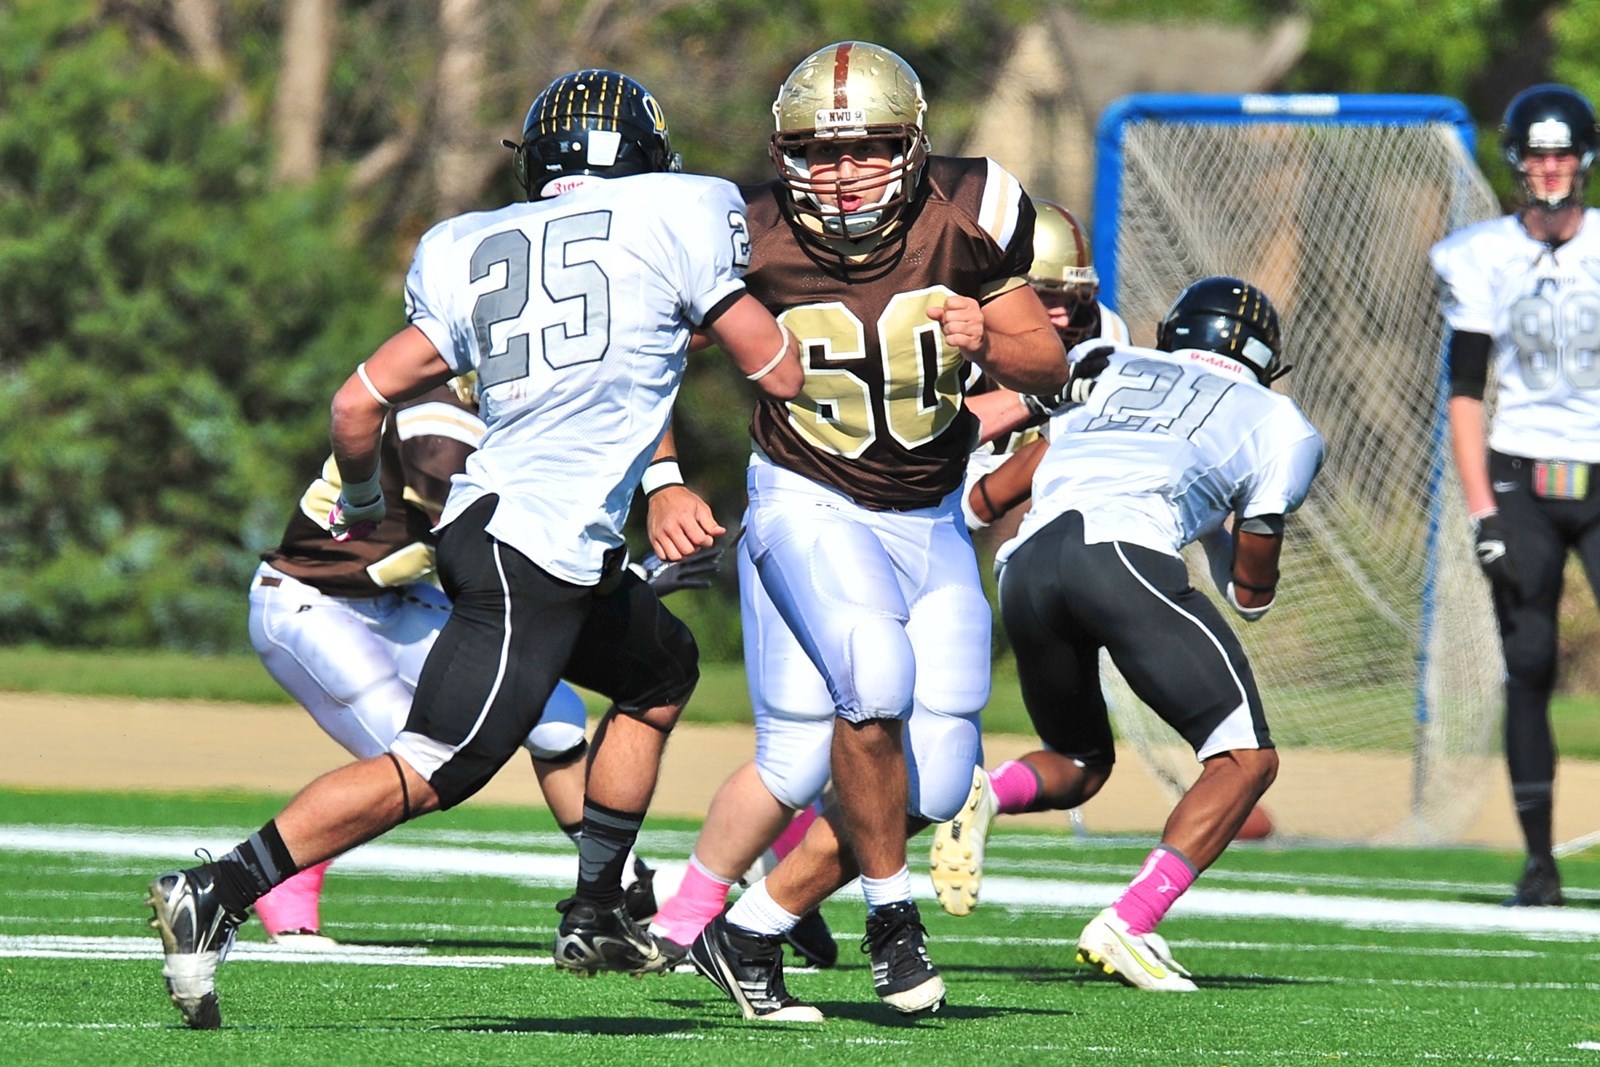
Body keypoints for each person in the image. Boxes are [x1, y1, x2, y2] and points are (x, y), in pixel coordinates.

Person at [142, 68, 802, 1029]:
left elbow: (355, 401)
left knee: (660, 669)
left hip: (523, 536)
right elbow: (774, 367)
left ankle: (599, 905)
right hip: (525, 547)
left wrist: (363, 496)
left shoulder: (469, 243)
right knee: (438, 765)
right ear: (649, 156)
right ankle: (220, 890)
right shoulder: (685, 214)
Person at [645, 41, 1067, 1022]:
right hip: (809, 497)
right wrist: (661, 479)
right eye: (818, 154)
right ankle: (889, 917)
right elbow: (648, 350)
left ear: (912, 146)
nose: (841, 174)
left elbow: (1046, 362)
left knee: (940, 776)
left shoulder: (975, 203)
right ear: (783, 155)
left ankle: (747, 930)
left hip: (925, 514)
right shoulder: (743, 228)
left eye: (868, 149)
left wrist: (989, 336)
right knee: (869, 684)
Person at [247, 376, 721, 945]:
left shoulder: (499, 419)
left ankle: (618, 886)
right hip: (311, 601)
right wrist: (635, 578)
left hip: (396, 598)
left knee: (557, 718)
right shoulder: (437, 426)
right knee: (420, 758)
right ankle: (280, 877)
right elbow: (518, 556)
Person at [955, 277, 1322, 989]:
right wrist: (1226, 531)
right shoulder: (1279, 420)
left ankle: (990, 790)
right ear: (1262, 356)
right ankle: (1131, 919)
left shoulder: (1104, 362)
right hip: (1120, 554)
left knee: (1081, 760)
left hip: (1026, 567)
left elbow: (987, 497)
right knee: (1244, 760)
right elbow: (1251, 589)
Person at [1430, 83, 1600, 908]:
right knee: (1527, 661)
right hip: (1521, 469)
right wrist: (1483, 510)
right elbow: (1466, 391)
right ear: (1518, 163)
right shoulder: (1481, 254)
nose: (1551, 168)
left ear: (1586, 159)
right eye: (1537, 154)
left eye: (1562, 152)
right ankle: (1539, 860)